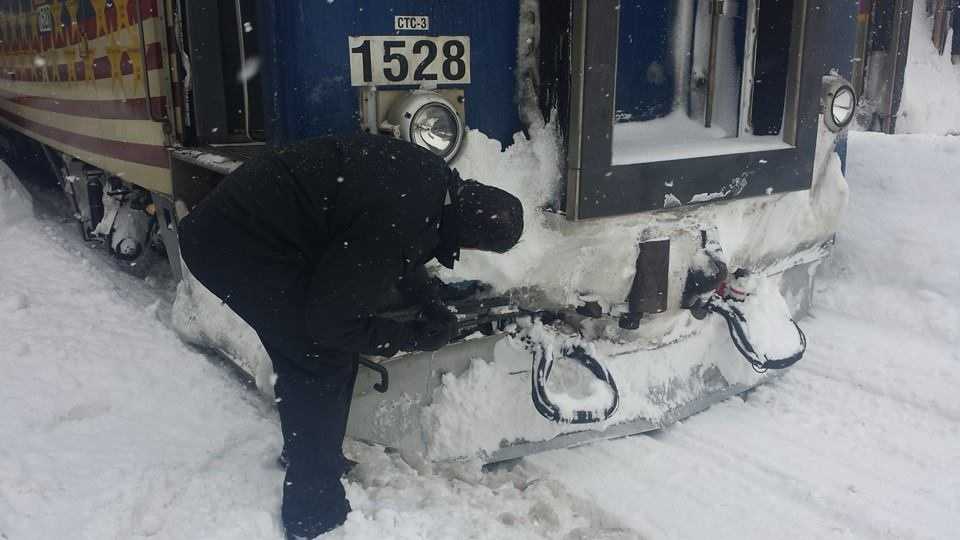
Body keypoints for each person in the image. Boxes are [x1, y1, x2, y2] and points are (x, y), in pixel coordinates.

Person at [177, 133, 523, 539]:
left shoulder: (430, 182)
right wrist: (410, 336)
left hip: (257, 232)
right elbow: (332, 323)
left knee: (321, 352)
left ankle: (310, 451)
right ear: (468, 234)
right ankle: (314, 513)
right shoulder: (408, 215)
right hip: (232, 245)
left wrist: (428, 298)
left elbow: (396, 242)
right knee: (319, 358)